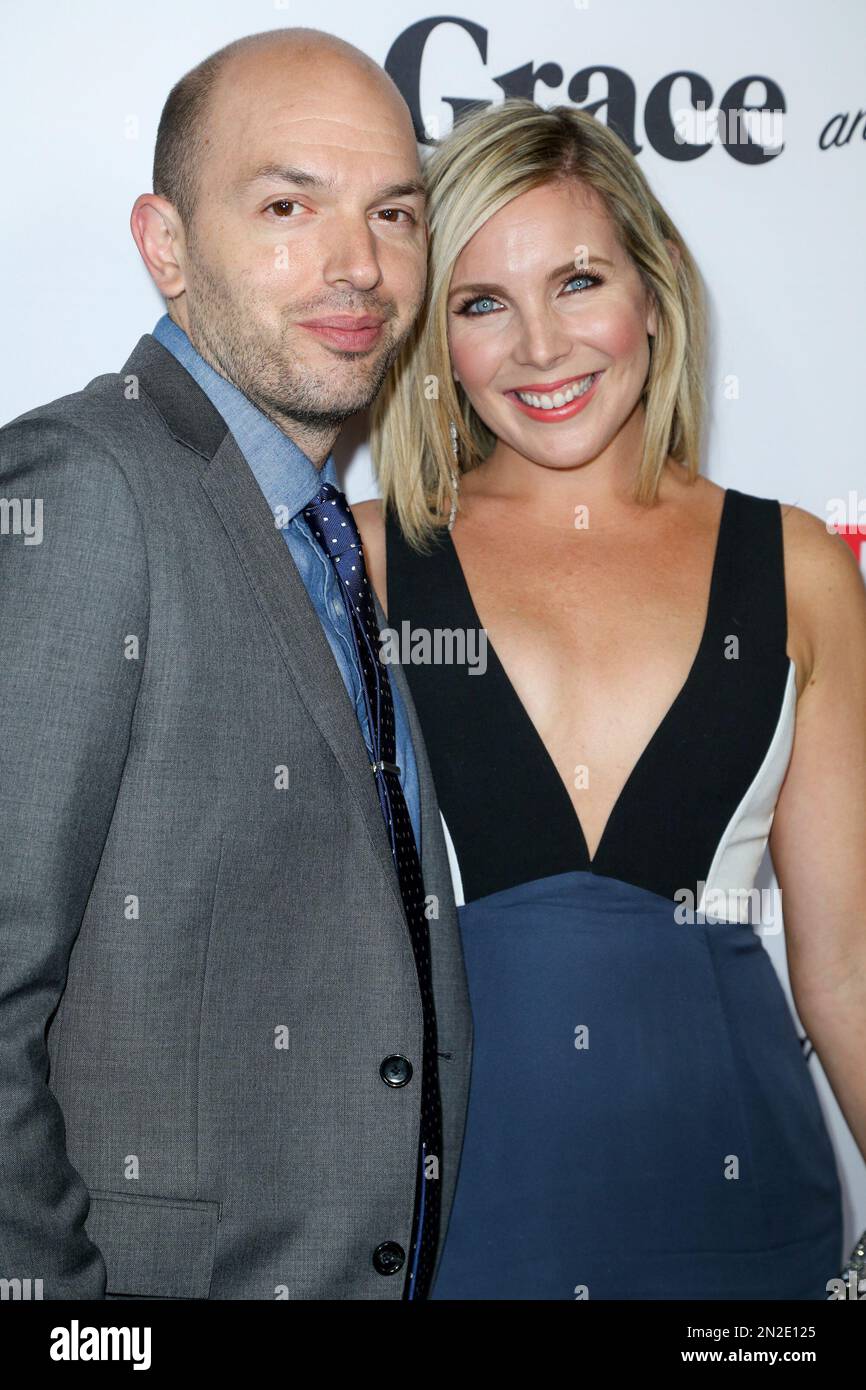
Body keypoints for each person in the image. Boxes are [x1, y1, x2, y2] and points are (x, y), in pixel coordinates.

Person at [354, 98, 866, 1299]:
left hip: (744, 1236)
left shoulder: (796, 567)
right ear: (435, 336)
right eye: (482, 302)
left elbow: (843, 971)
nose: (539, 348)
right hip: (441, 1234)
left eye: (577, 281)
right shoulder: (359, 561)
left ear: (655, 284)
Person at [0, 28, 472, 1300]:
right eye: (285, 206)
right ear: (166, 247)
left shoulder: (316, 525)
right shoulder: (85, 491)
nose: (359, 266)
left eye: (393, 215)